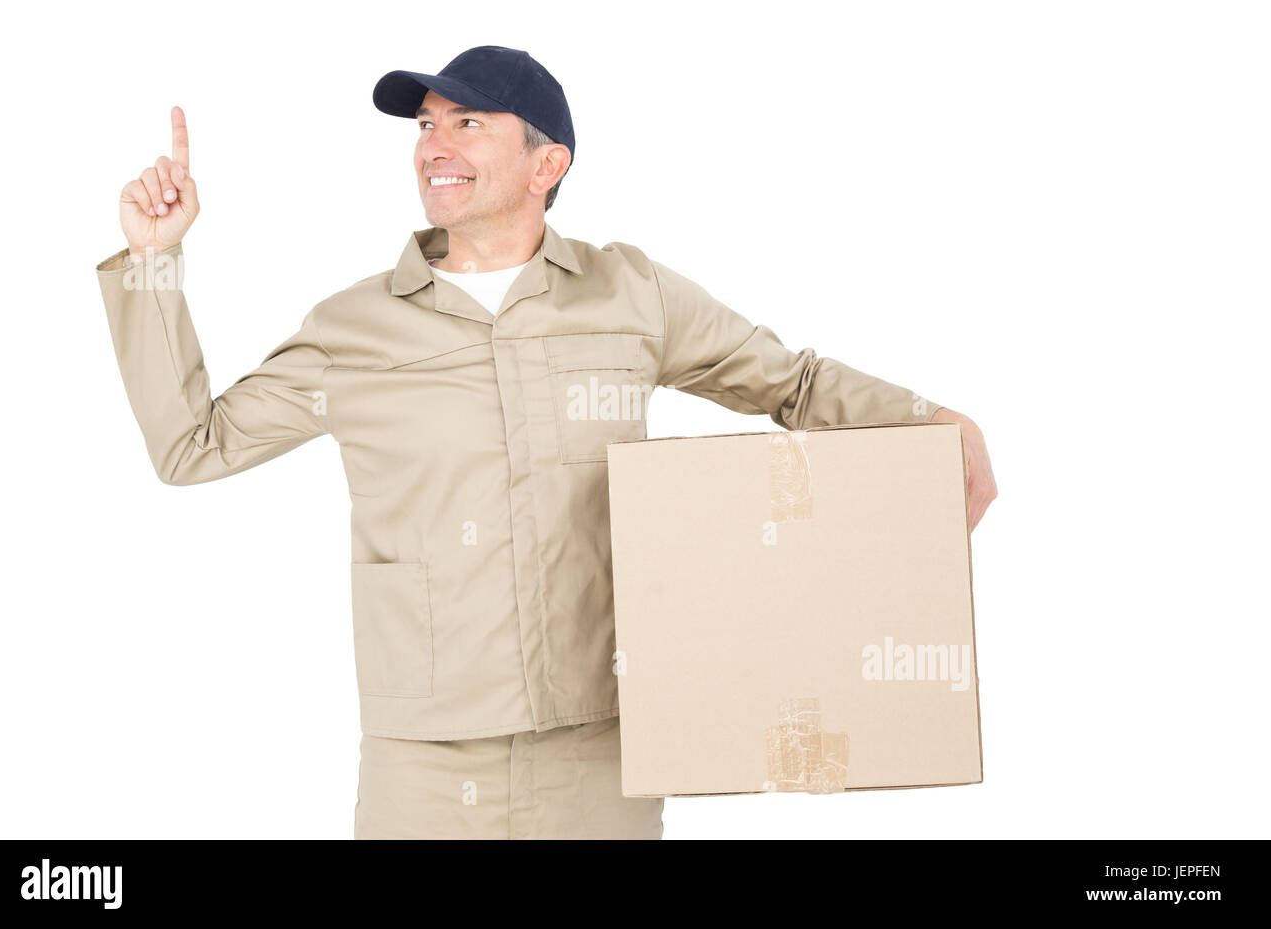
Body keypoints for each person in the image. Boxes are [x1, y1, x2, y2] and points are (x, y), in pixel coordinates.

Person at [95, 45, 998, 840]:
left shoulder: (629, 293)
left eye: (469, 122)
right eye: (424, 124)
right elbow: (194, 446)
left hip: (600, 758)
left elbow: (790, 383)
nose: (432, 145)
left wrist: (926, 422)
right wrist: (154, 262)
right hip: (425, 771)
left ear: (546, 163)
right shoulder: (354, 328)